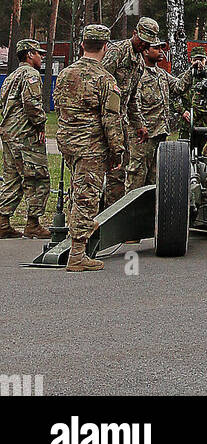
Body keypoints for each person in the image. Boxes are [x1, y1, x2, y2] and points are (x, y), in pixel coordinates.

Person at [53, 23, 124, 272]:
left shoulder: (65, 74)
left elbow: (59, 107)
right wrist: (117, 150)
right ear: (105, 47)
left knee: (78, 190)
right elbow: (111, 120)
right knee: (87, 197)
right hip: (90, 146)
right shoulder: (105, 79)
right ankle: (77, 255)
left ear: (82, 44)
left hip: (68, 144)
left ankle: (79, 228)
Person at [102, 18, 163, 207]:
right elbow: (100, 82)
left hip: (122, 123)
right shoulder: (117, 53)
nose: (144, 45)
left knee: (121, 171)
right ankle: (104, 219)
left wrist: (139, 125)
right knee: (110, 174)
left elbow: (133, 98)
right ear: (134, 34)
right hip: (104, 119)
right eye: (142, 40)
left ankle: (115, 217)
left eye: (148, 43)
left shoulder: (138, 61)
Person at [126, 42, 195, 190]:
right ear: (145, 51)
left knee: (155, 180)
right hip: (143, 137)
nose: (161, 52)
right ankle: (132, 211)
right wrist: (140, 126)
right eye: (156, 48)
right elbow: (133, 104)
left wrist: (192, 70)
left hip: (160, 134)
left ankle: (150, 211)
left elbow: (178, 87)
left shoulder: (161, 74)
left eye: (161, 48)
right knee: (136, 178)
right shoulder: (138, 74)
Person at [0, 39, 50, 239]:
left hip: (10, 133)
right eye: (38, 53)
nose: (41, 57)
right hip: (25, 135)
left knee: (12, 178)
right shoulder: (31, 74)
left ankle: (2, 222)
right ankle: (33, 223)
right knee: (38, 177)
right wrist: (40, 123)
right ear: (29, 55)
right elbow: (32, 103)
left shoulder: (11, 77)